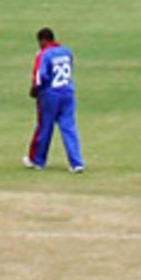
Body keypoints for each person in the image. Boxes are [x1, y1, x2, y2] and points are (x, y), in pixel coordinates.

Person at [24, 26, 84, 172]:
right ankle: (76, 163)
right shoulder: (66, 51)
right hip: (67, 92)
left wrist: (34, 91)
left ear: (42, 40)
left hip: (50, 95)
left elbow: (40, 76)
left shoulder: (44, 54)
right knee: (69, 128)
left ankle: (37, 161)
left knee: (44, 127)